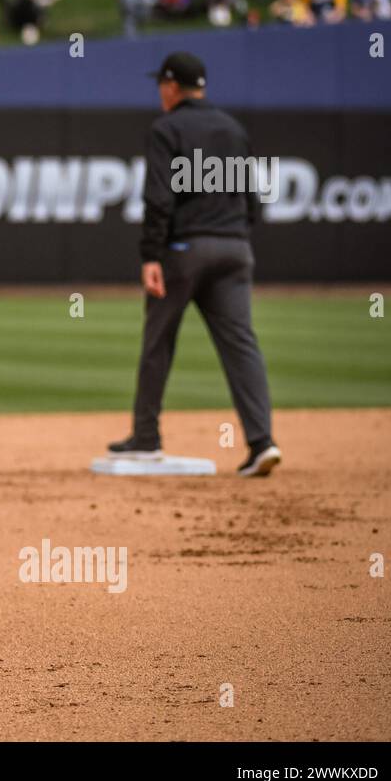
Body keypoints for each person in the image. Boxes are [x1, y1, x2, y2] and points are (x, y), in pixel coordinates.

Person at [109, 52, 281, 478]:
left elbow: (159, 198)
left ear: (170, 86)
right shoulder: (234, 129)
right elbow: (253, 198)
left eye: (160, 86)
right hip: (235, 248)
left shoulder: (167, 128)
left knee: (159, 340)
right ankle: (263, 442)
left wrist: (151, 254)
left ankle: (146, 437)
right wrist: (238, 235)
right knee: (241, 343)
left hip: (185, 250)